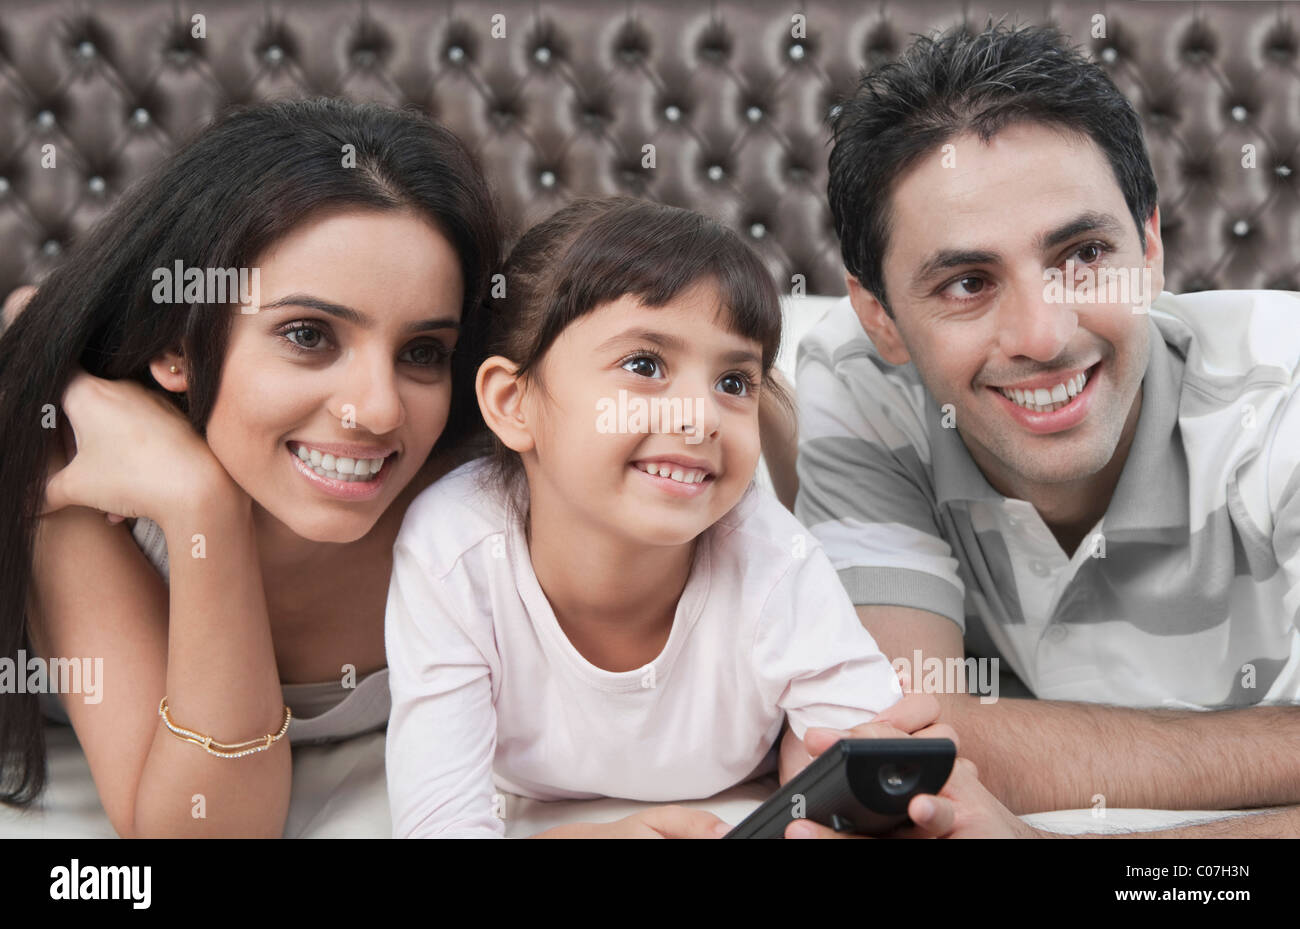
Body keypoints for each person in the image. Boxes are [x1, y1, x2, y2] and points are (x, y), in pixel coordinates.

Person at [784, 22, 1300, 835]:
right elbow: (893, 738)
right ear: (879, 317)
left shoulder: (1284, 399)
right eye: (966, 282)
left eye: (1086, 252)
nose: (1044, 334)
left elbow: (926, 749)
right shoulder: (859, 389)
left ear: (1153, 246)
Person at [0, 98, 501, 837]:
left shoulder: (477, 491)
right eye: (308, 334)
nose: (380, 408)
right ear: (174, 345)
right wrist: (203, 507)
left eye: (422, 350)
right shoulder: (77, 470)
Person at [384, 197, 907, 838]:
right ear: (512, 402)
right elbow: (439, 825)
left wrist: (839, 781)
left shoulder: (773, 556)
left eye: (735, 382)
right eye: (644, 365)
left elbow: (865, 747)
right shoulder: (453, 549)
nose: (700, 417)